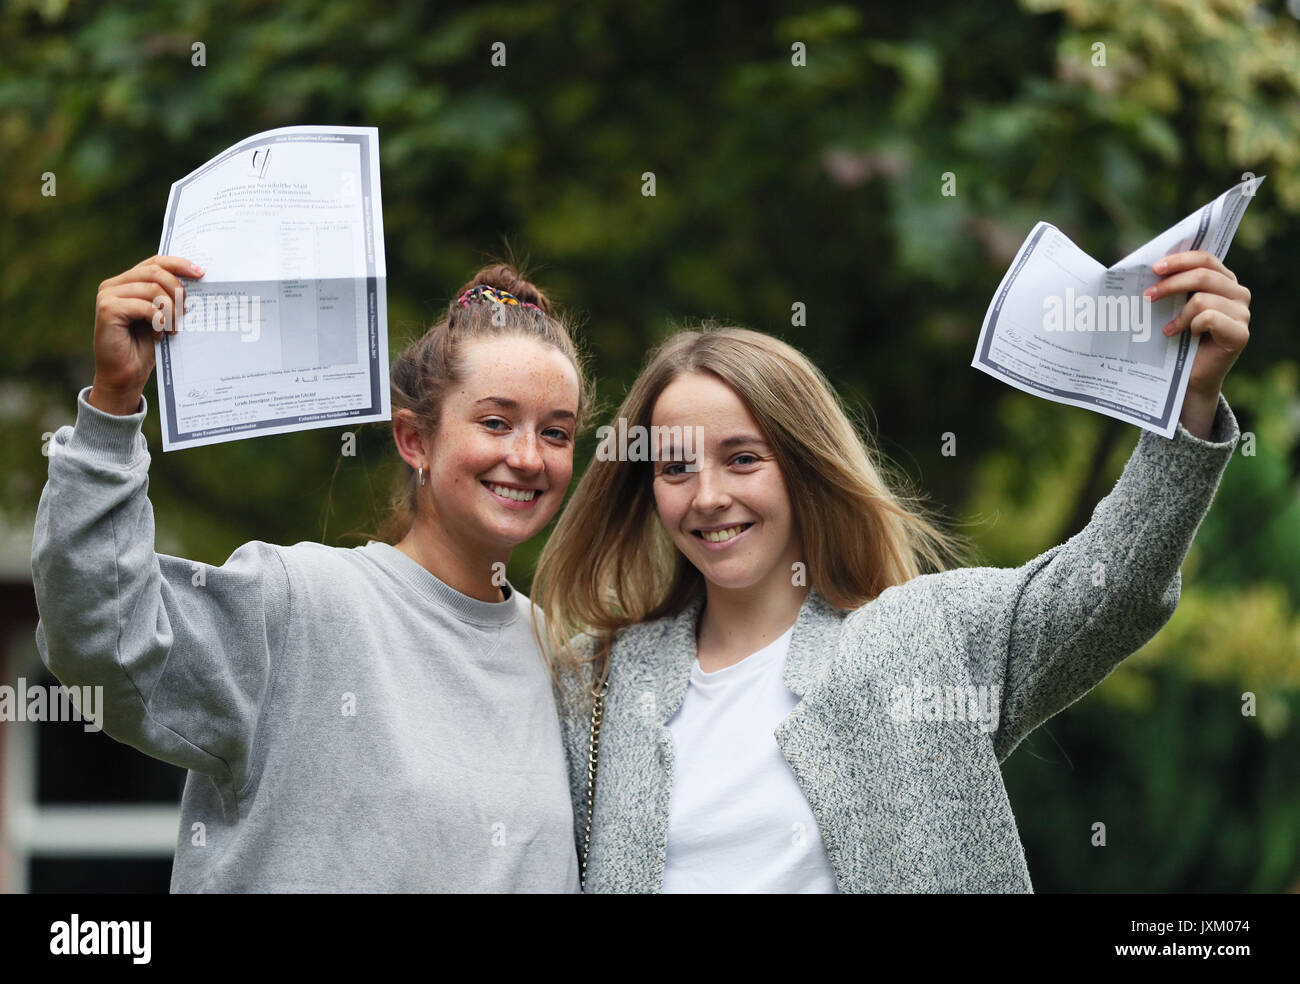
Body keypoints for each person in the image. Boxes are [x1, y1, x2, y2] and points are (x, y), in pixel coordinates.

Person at [535, 250, 1251, 893]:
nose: (709, 495)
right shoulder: (596, 681)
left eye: (743, 458)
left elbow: (1113, 588)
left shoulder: (924, 639)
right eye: (675, 468)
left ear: (805, 465)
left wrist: (1189, 403)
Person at [32, 254, 591, 892]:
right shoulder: (303, 602)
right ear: (414, 442)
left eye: (556, 432)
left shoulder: (554, 655)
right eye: (495, 422)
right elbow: (106, 648)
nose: (527, 457)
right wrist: (112, 407)